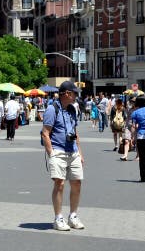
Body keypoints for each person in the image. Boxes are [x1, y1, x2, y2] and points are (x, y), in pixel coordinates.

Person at [41, 81, 85, 231]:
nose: (76, 96)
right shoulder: (52, 110)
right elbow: (45, 133)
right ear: (67, 93)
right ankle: (58, 218)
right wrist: (51, 154)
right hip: (58, 151)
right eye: (74, 93)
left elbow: (75, 132)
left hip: (72, 151)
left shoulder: (72, 109)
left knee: (77, 183)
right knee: (59, 184)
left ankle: (73, 216)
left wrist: (80, 153)